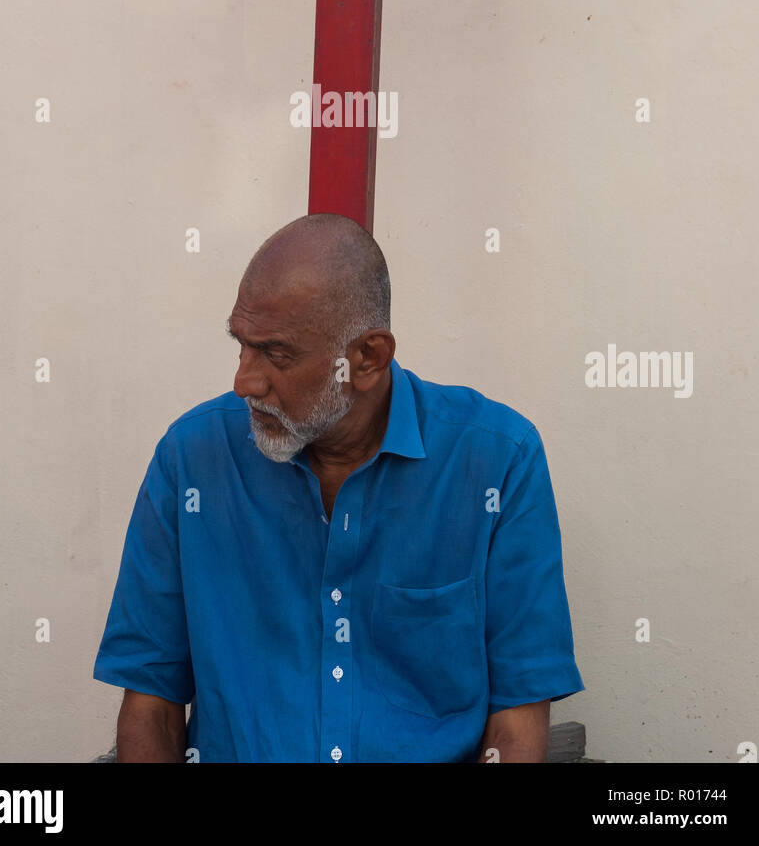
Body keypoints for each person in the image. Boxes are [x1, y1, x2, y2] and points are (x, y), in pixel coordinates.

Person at [93, 213, 584, 762]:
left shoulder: (496, 462)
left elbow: (517, 719)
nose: (244, 381)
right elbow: (151, 704)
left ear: (368, 358)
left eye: (276, 354)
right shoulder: (192, 459)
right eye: (242, 345)